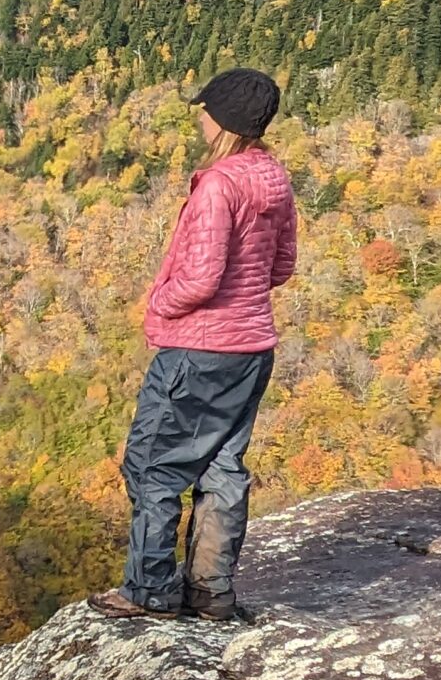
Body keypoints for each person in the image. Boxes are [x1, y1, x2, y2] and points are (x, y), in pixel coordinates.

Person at [90, 67, 296, 623]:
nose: (200, 117)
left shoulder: (219, 186)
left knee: (154, 466)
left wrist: (158, 304)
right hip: (252, 349)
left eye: (204, 109)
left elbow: (201, 280)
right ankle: (210, 591)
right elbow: (282, 266)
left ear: (222, 120)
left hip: (198, 351)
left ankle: (149, 592)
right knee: (224, 466)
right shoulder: (274, 178)